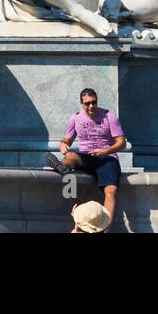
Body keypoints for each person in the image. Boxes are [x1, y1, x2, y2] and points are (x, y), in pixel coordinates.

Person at [44, 88, 126, 225]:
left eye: (94, 102)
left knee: (111, 190)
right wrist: (63, 145)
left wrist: (106, 151)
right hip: (86, 156)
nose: (91, 106)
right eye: (87, 103)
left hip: (107, 157)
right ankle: (61, 166)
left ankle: (104, 228)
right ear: (81, 104)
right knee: (71, 156)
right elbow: (67, 140)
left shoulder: (108, 116)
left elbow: (122, 143)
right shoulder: (75, 118)